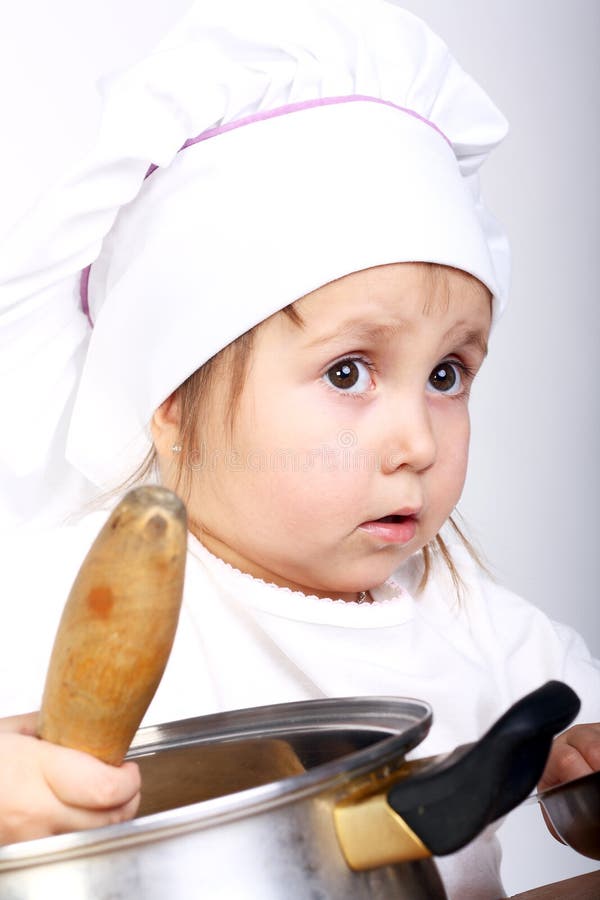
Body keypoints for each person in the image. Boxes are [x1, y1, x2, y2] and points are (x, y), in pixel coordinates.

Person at [0, 1, 598, 897]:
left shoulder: (481, 625)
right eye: (349, 372)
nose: (416, 442)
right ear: (171, 403)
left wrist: (581, 769)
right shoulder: (59, 604)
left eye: (447, 375)